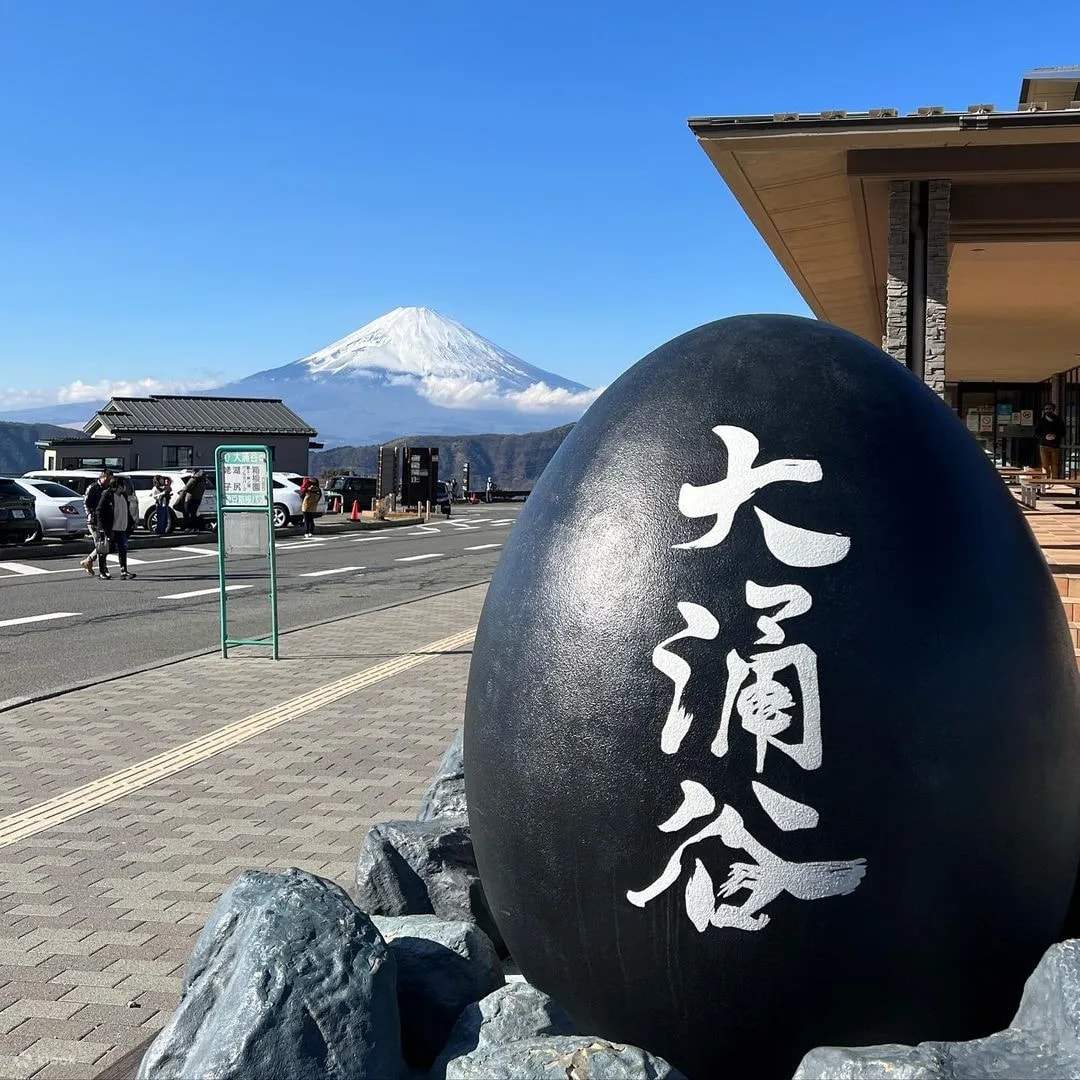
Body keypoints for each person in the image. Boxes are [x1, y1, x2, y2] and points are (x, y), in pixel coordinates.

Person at [95, 477, 138, 580]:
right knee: (105, 550)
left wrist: (132, 522)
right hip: (110, 528)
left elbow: (126, 511)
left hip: (122, 527)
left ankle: (124, 570)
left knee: (123, 549)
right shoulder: (108, 495)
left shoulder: (123, 495)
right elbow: (99, 511)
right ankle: (102, 571)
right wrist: (102, 528)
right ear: (117, 486)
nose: (124, 487)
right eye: (122, 485)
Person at [79, 468, 114, 576]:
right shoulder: (93, 487)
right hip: (94, 520)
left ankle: (88, 561)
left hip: (104, 520)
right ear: (102, 477)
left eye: (110, 480)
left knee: (105, 544)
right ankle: (103, 569)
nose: (109, 481)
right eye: (107, 479)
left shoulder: (108, 488)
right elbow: (86, 503)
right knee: (101, 544)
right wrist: (90, 514)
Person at [1035, 402, 1066, 479]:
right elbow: (1037, 433)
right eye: (1046, 409)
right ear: (1044, 410)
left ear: (1053, 410)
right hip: (1043, 445)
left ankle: (1054, 481)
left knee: (1054, 464)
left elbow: (1063, 432)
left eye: (1050, 409)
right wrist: (1045, 436)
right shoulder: (1041, 421)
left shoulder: (1058, 420)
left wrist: (1055, 435)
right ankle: (1046, 480)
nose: (1048, 410)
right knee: (1045, 465)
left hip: (1055, 446)